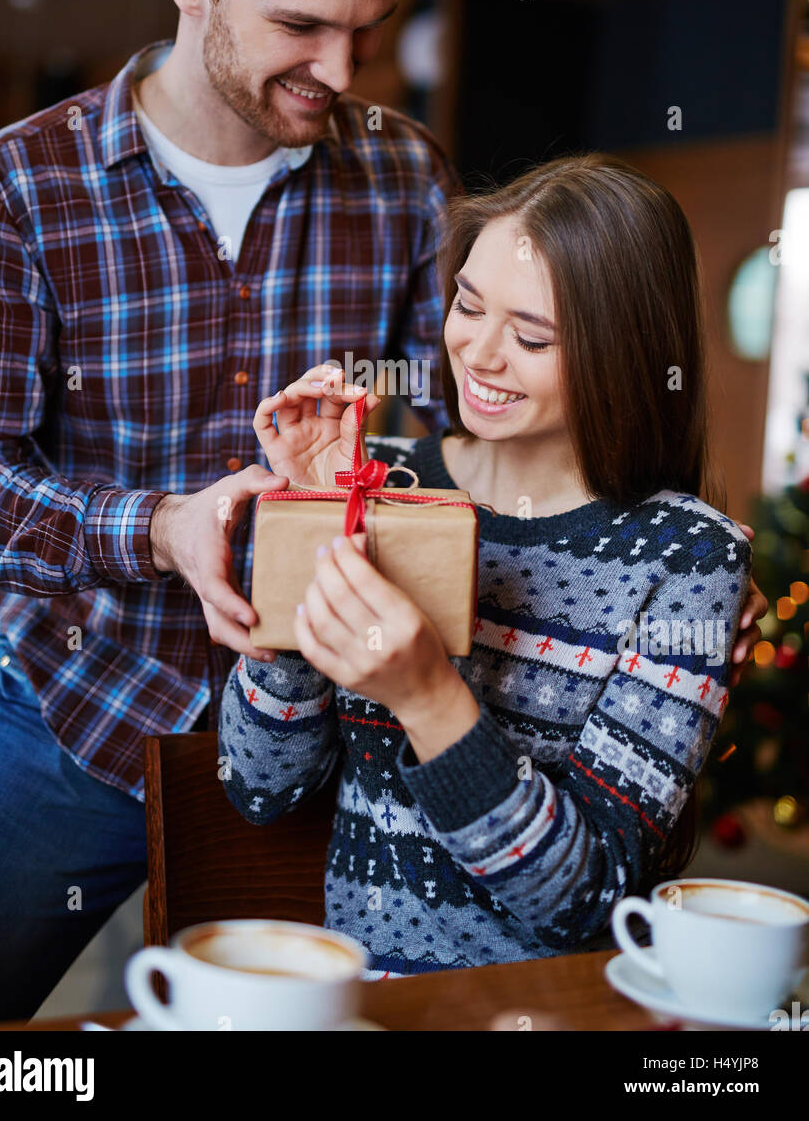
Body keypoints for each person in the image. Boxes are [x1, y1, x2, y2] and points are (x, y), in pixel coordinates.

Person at [0, 0, 460, 1020]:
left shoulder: (403, 178)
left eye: (366, 27)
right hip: (79, 704)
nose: (338, 70)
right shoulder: (18, 188)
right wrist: (158, 527)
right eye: (299, 27)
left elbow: (442, 421)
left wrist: (382, 426)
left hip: (322, 738)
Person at [220, 154, 758, 978]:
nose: (480, 353)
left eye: (532, 335)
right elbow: (260, 787)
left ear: (626, 350)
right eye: (468, 306)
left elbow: (585, 902)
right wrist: (309, 530)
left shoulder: (686, 559)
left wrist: (429, 698)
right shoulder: (383, 476)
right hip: (363, 999)